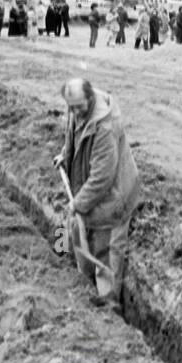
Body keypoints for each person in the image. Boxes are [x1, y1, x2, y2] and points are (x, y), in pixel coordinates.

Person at [55, 78, 144, 308]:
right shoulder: (77, 107)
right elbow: (75, 133)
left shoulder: (105, 127)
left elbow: (101, 179)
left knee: (106, 248)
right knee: (77, 228)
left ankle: (108, 300)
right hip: (95, 187)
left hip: (115, 195)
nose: (74, 112)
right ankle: (79, 277)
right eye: (71, 107)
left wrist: (79, 203)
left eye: (78, 107)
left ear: (90, 98)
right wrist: (65, 154)